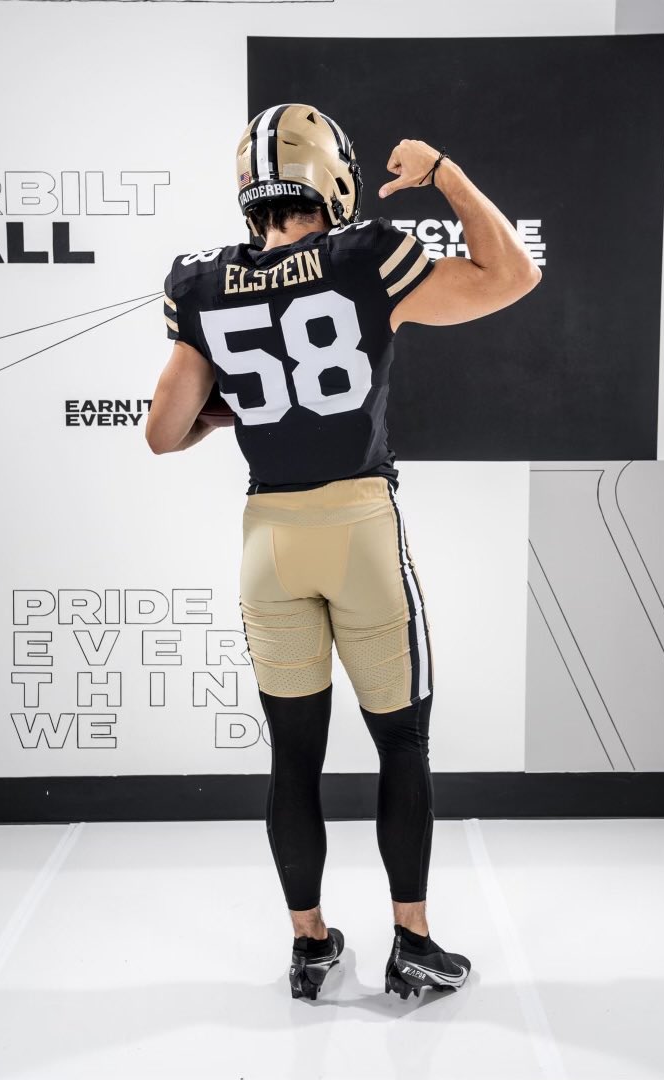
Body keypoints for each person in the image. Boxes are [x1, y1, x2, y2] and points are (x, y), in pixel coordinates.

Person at [146, 103, 541, 1001]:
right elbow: (511, 275)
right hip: (360, 527)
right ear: (332, 176)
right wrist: (441, 171)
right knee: (401, 741)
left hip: (269, 541)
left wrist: (240, 409)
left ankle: (311, 945)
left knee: (293, 757)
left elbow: (164, 433)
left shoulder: (201, 282)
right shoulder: (363, 255)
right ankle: (413, 942)